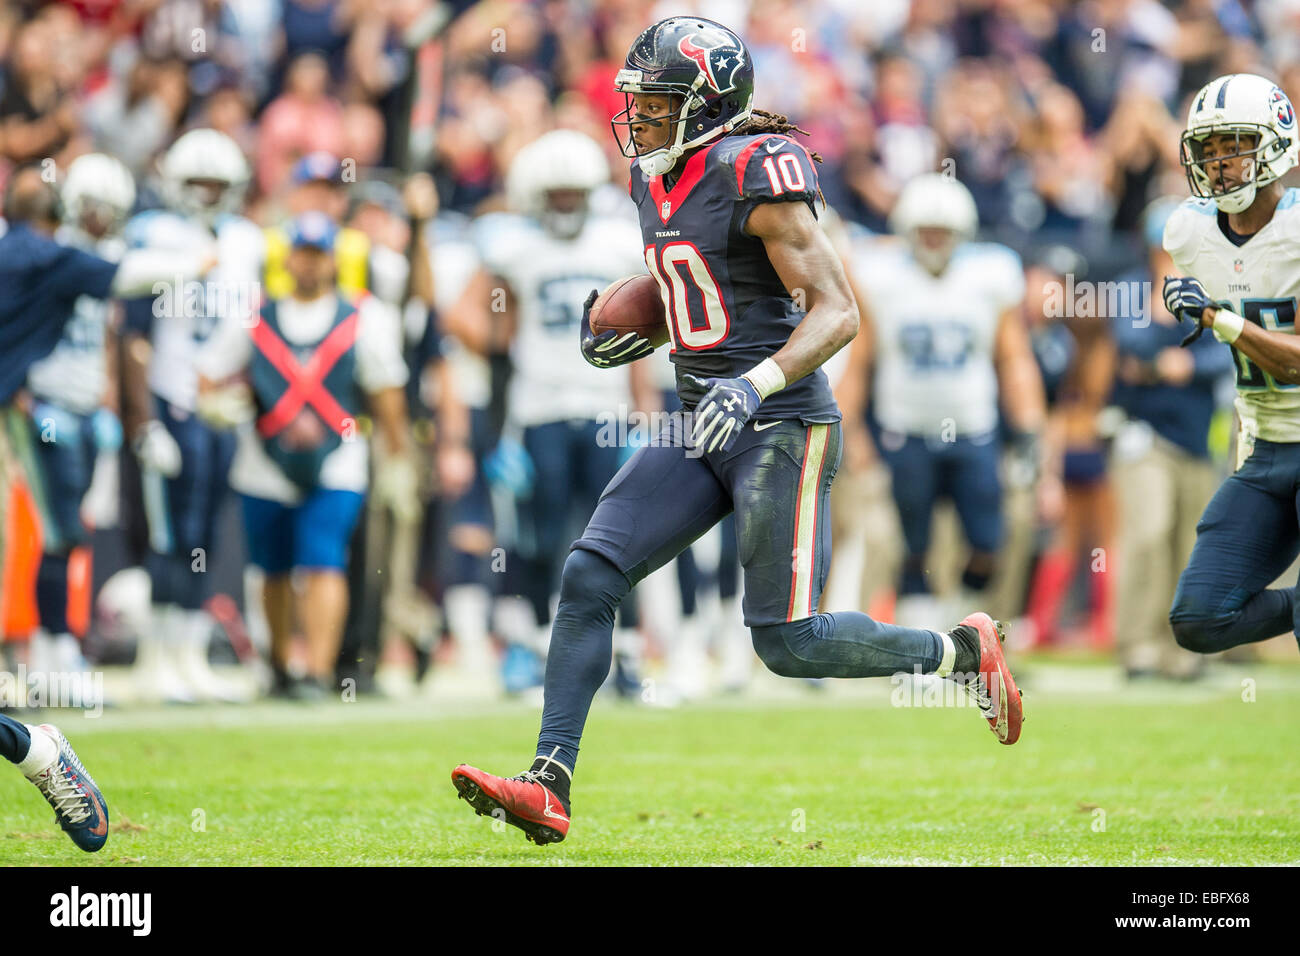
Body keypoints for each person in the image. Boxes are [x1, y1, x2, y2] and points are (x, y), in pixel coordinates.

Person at [451, 17, 1024, 846]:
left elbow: (838, 312)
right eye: (636, 101)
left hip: (779, 421)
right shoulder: (655, 181)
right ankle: (550, 781)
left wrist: (755, 383)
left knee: (788, 644)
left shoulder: (757, 167)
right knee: (588, 575)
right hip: (697, 419)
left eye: (655, 102)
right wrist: (641, 319)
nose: (637, 116)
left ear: (705, 104)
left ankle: (963, 652)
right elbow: (699, 286)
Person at [446, 129, 652, 697]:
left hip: (605, 409)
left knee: (623, 539)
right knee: (535, 538)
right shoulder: (514, 249)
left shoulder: (615, 246)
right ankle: (534, 649)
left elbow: (642, 340)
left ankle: (626, 657)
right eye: (556, 195)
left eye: (573, 194)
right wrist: (501, 337)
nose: (565, 205)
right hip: (537, 412)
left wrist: (646, 414)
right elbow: (464, 316)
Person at [196, 212, 415, 699]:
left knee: (322, 559)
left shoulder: (365, 315)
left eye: (319, 255)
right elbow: (208, 375)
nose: (310, 264)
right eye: (303, 253)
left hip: (339, 458)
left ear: (332, 261)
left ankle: (314, 672)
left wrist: (398, 457)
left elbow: (387, 391)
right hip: (262, 461)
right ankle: (277, 665)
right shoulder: (254, 315)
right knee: (272, 567)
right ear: (287, 258)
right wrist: (219, 405)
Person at [837, 173, 1045, 628]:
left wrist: (1029, 429)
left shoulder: (989, 275)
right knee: (913, 549)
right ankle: (925, 651)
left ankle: (957, 625)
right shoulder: (882, 277)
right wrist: (849, 429)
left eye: (942, 231)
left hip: (974, 429)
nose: (932, 239)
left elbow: (1013, 359)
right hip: (904, 430)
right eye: (924, 230)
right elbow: (860, 362)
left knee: (989, 543)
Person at [119, 128, 263, 704]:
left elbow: (253, 326)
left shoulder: (248, 240)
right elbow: (131, 332)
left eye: (217, 184)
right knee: (169, 532)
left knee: (205, 530)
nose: (207, 194)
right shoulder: (152, 233)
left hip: (220, 406)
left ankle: (190, 653)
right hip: (170, 397)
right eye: (197, 183)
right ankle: (157, 659)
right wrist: (143, 419)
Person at [1162, 73, 1300, 658]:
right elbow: (1177, 293)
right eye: (1208, 149)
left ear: (1276, 143)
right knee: (1199, 619)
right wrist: (1178, 303)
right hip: (1267, 448)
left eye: (1235, 144)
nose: (1220, 163)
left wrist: (1218, 318)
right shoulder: (1188, 231)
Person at [21, 154, 136, 701]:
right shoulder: (48, 256)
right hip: (49, 400)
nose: (99, 219)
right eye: (92, 208)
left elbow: (109, 336)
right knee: (60, 528)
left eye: (107, 211)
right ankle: (51, 651)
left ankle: (57, 650)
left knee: (73, 529)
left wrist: (109, 393)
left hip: (89, 404)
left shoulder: (104, 255)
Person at [1111, 197, 1233, 679]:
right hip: (1146, 434)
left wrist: (1185, 365)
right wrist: (1168, 340)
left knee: (1192, 544)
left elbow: (1227, 353)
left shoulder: (1215, 289)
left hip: (1200, 437)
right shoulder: (1132, 288)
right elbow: (1130, 346)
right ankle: (1139, 645)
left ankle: (1185, 649)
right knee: (1149, 531)